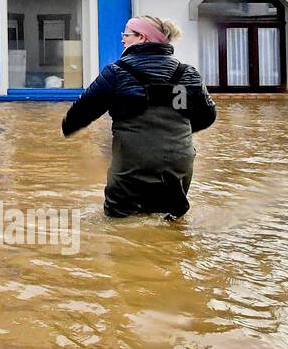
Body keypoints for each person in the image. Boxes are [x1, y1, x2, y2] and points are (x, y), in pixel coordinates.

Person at [61, 15, 217, 219]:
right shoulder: (188, 73)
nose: (122, 40)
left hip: (131, 165)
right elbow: (208, 116)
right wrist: (179, 134)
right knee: (170, 223)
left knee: (119, 226)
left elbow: (79, 113)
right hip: (178, 164)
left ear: (141, 37)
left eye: (126, 35)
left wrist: (66, 129)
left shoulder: (117, 72)